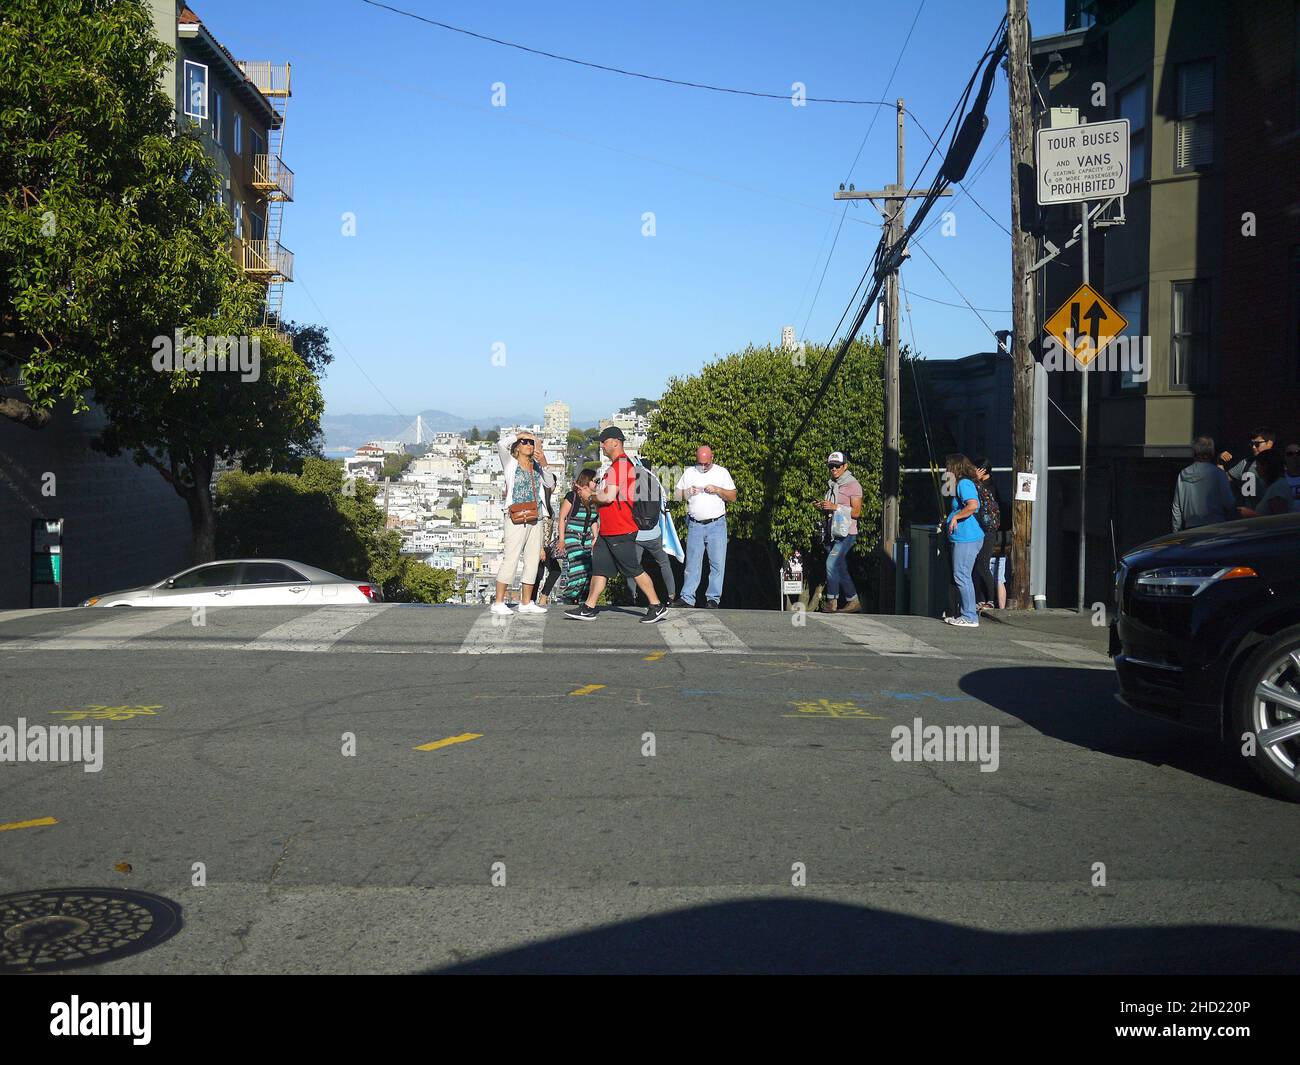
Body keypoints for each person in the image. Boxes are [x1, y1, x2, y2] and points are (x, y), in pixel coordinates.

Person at [565, 427, 668, 623]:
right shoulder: (616, 466)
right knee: (600, 568)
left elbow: (609, 496)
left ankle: (656, 605)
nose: (602, 446)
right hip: (608, 529)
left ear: (615, 442)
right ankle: (589, 607)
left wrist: (591, 496)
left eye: (604, 442)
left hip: (620, 529)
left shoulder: (620, 466)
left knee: (633, 569)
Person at [491, 431, 555, 616]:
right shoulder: (511, 464)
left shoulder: (536, 466)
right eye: (525, 442)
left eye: (531, 443)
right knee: (511, 558)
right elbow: (501, 445)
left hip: (536, 516)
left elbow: (550, 484)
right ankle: (498, 601)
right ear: (517, 447)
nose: (529, 445)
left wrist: (544, 463)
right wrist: (519, 435)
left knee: (532, 560)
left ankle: (526, 601)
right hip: (515, 517)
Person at [672, 445, 737, 608]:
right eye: (700, 463)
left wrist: (717, 490)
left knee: (717, 563)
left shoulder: (722, 473)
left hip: (716, 524)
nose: (703, 466)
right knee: (692, 563)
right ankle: (687, 597)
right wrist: (688, 491)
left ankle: (713, 598)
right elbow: (676, 495)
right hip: (695, 524)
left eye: (706, 464)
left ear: (712, 458)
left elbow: (733, 496)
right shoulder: (690, 472)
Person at [624, 458, 678, 606]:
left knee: (633, 565)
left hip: (636, 535)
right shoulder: (657, 485)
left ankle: (631, 595)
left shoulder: (632, 485)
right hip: (654, 534)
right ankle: (671, 595)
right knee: (664, 563)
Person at [815, 451, 863, 613]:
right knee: (840, 567)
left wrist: (834, 507)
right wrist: (823, 506)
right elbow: (833, 507)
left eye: (837, 466)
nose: (833, 469)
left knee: (831, 563)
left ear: (845, 466)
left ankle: (831, 601)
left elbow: (856, 512)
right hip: (833, 532)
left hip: (847, 533)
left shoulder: (853, 485)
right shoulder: (833, 484)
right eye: (831, 466)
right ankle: (853, 600)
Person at [943, 453, 983, 628]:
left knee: (962, 575)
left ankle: (969, 616)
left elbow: (973, 505)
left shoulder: (964, 484)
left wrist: (955, 517)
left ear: (955, 468)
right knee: (962, 575)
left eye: (948, 466)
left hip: (967, 538)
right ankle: (964, 613)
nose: (946, 470)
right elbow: (946, 491)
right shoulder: (959, 484)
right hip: (962, 537)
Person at [551, 469, 599, 605]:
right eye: (595, 481)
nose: (597, 484)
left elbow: (594, 520)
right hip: (571, 535)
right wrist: (561, 540)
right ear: (587, 481)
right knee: (578, 564)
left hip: (587, 537)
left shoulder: (594, 499)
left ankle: (581, 596)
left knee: (589, 567)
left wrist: (595, 537)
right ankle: (569, 594)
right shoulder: (572, 496)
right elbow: (562, 518)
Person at [1171, 435, 1237, 531]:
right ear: (1212, 452)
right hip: (1215, 527)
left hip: (1190, 528)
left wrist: (1176, 531)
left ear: (1194, 452)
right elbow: (1229, 503)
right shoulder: (1218, 474)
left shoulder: (1183, 474)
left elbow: (1177, 507)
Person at [971, 457, 1003, 612]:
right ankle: (981, 599)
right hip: (983, 529)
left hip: (988, 530)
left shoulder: (987, 487)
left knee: (983, 564)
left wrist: (975, 480)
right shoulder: (986, 485)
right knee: (978, 564)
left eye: (976, 469)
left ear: (983, 471)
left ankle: (990, 599)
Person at [1220, 427, 1275, 502]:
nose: (1253, 447)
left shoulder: (1278, 465)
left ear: (1269, 443)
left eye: (1257, 444)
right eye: (1251, 444)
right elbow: (1222, 480)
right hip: (1248, 511)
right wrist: (1220, 462)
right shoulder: (1246, 463)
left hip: (1272, 512)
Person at [1241, 449, 1291, 518]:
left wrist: (1251, 514)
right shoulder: (1273, 486)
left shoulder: (1278, 487)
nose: (1256, 469)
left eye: (1258, 465)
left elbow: (1280, 520)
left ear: (1266, 466)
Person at [1283, 442, 1300, 512]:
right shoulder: (1280, 480)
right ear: (1285, 458)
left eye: (1298, 453)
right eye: (1290, 454)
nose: (1294, 456)